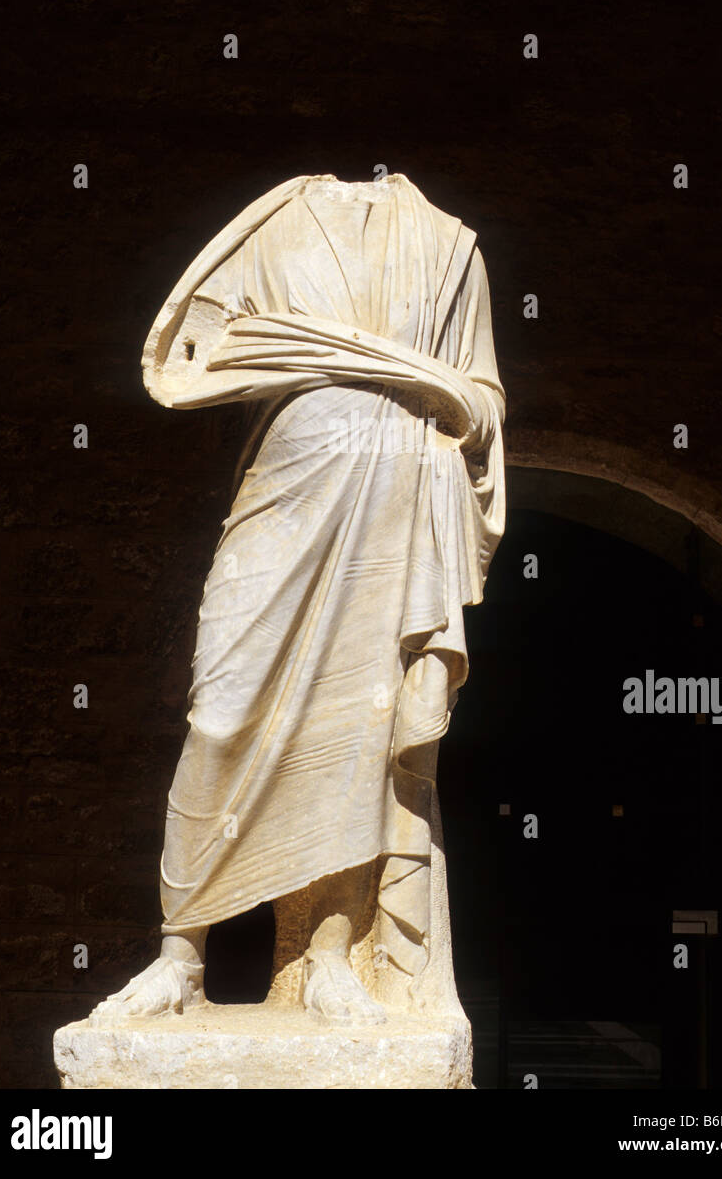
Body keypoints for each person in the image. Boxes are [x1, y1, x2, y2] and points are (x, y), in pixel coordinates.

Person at [89, 173, 505, 1026]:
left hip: (394, 487)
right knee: (223, 710)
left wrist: (445, 392)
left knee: (358, 724)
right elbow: (190, 353)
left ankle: (327, 956)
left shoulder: (452, 244)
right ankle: (180, 955)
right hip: (290, 475)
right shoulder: (272, 223)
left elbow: (485, 397)